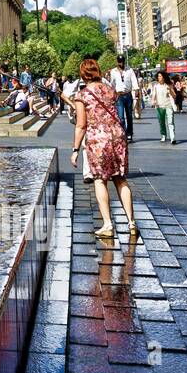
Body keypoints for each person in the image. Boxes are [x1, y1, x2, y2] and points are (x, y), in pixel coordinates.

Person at [70, 58, 137, 238]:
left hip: (98, 139)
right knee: (120, 178)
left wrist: (75, 150)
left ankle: (108, 224)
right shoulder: (110, 90)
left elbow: (81, 125)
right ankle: (131, 222)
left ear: (83, 75)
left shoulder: (82, 95)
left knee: (100, 180)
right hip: (117, 136)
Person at [108, 58, 138, 141]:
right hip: (119, 96)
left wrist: (136, 90)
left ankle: (129, 133)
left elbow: (134, 80)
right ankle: (123, 133)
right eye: (119, 62)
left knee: (129, 115)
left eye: (122, 62)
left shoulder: (129, 70)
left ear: (124, 62)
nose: (121, 63)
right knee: (121, 117)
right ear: (117, 62)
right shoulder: (113, 71)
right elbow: (112, 83)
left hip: (128, 94)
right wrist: (111, 94)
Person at [152, 71, 176, 144]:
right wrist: (153, 101)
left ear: (164, 77)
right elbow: (154, 95)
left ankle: (172, 138)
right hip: (159, 106)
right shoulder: (156, 86)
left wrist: (170, 90)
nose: (159, 77)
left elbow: (174, 96)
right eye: (158, 76)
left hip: (168, 105)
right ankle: (163, 135)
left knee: (170, 122)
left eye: (160, 76)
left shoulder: (168, 85)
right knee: (161, 122)